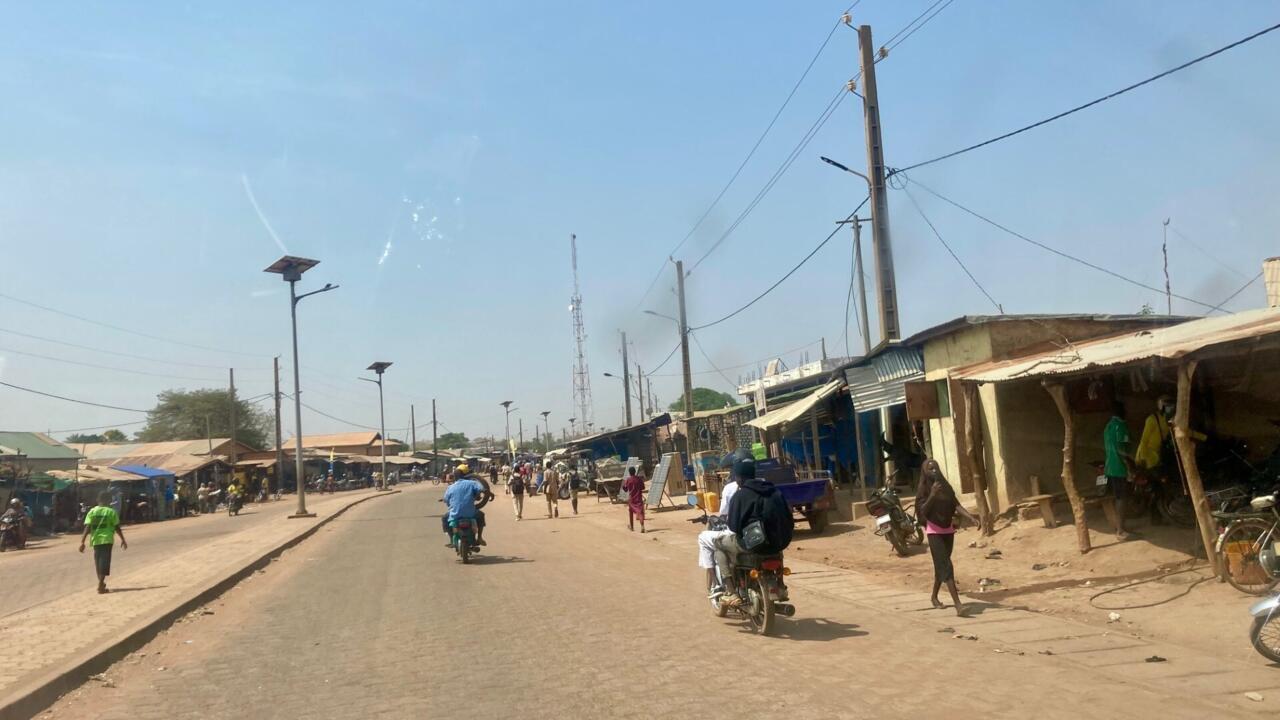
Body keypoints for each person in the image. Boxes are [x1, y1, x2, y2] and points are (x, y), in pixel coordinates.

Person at [715, 458, 794, 607]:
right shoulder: (775, 491)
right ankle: (781, 586)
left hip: (752, 545)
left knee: (719, 546)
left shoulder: (740, 495)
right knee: (775, 548)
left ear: (739, 478)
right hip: (779, 543)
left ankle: (731, 592)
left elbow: (733, 526)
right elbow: (789, 518)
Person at [915, 459, 978, 616]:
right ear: (925, 472)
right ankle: (959, 606)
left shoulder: (945, 486)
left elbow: (955, 504)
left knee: (941, 566)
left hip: (948, 530)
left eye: (935, 468)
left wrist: (970, 517)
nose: (934, 471)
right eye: (930, 469)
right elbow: (922, 510)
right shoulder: (924, 489)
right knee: (947, 566)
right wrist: (932, 495)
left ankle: (934, 597)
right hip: (934, 531)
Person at [698, 465, 742, 596]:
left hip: (740, 539)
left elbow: (724, 512)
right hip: (770, 539)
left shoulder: (733, 489)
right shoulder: (767, 486)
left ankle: (721, 585)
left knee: (711, 541)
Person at [79, 491, 127, 593]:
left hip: (95, 540)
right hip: (107, 539)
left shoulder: (92, 512)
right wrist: (123, 539)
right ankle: (101, 584)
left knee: (97, 561)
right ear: (109, 501)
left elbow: (87, 527)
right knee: (104, 561)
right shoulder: (111, 512)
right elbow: (116, 527)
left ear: (97, 500)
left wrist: (82, 542)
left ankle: (101, 582)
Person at [1103, 400, 1135, 539]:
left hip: (1110, 467)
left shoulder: (1108, 426)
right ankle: (1121, 531)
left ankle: (1121, 527)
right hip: (1120, 468)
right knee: (1123, 498)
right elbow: (1122, 451)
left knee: (1119, 497)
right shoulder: (1121, 426)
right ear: (1122, 411)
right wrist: (1130, 467)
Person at [442, 464, 493, 545]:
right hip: (470, 513)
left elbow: (446, 500)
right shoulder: (472, 483)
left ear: (455, 477)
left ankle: (451, 539)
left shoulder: (450, 487)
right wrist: (490, 494)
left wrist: (450, 505)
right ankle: (479, 537)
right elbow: (483, 489)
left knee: (444, 518)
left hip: (455, 514)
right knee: (481, 515)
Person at [622, 466, 646, 533]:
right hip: (639, 497)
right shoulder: (639, 479)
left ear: (629, 472)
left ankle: (632, 527)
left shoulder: (628, 479)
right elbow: (643, 487)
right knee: (640, 512)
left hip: (632, 499)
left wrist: (623, 486)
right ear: (635, 472)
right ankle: (642, 526)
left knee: (631, 511)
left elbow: (626, 489)